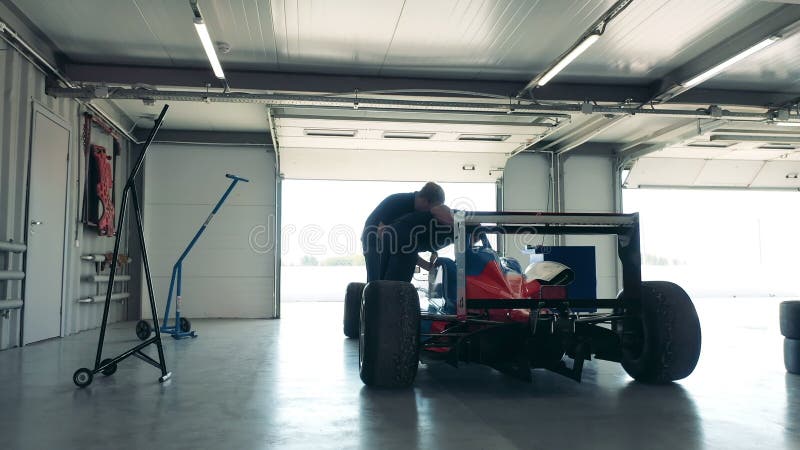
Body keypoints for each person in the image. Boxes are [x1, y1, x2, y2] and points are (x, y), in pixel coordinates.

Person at [361, 182, 451, 282]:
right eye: (434, 209)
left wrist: (427, 265)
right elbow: (383, 233)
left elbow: (405, 245)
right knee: (376, 282)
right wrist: (423, 263)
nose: (432, 214)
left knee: (391, 280)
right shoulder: (399, 202)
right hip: (373, 242)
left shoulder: (416, 211)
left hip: (388, 240)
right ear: (425, 201)